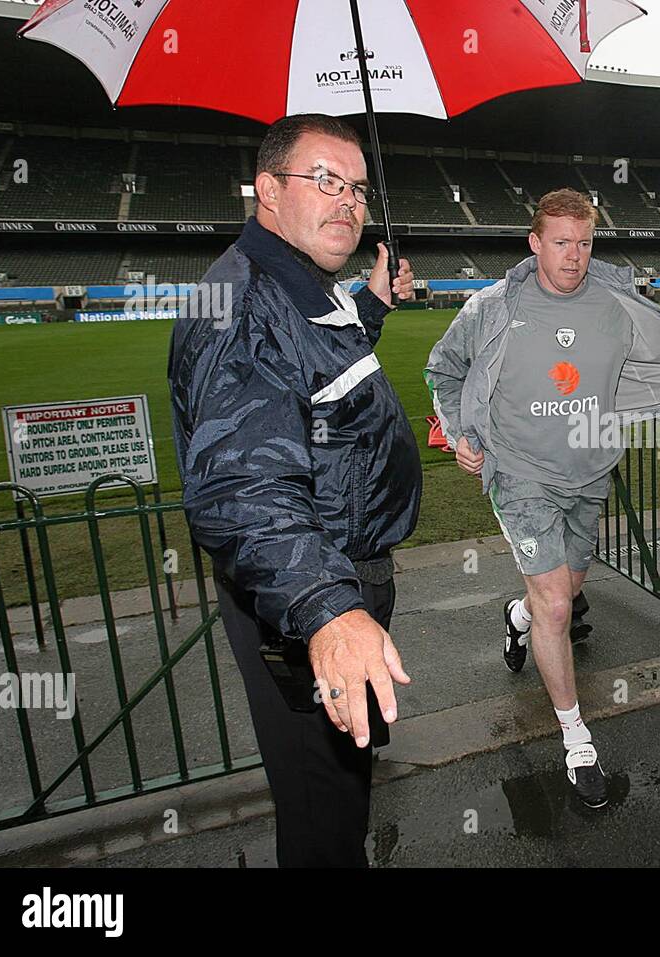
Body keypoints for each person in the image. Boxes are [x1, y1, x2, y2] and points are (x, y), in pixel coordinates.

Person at [425, 188, 660, 808]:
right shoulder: (492, 307)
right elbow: (445, 367)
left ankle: (517, 621)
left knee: (566, 591)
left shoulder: (618, 303)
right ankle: (578, 743)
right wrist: (464, 432)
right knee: (555, 604)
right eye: (561, 243)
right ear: (535, 243)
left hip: (591, 466)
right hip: (520, 474)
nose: (573, 257)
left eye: (584, 243)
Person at [168, 113, 421, 867]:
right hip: (305, 598)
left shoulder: (296, 284)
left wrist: (369, 306)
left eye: (357, 188)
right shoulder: (244, 303)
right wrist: (326, 610)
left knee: (339, 791)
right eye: (324, 180)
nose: (346, 201)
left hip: (338, 576)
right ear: (268, 191)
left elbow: (312, 381)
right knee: (322, 805)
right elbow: (244, 483)